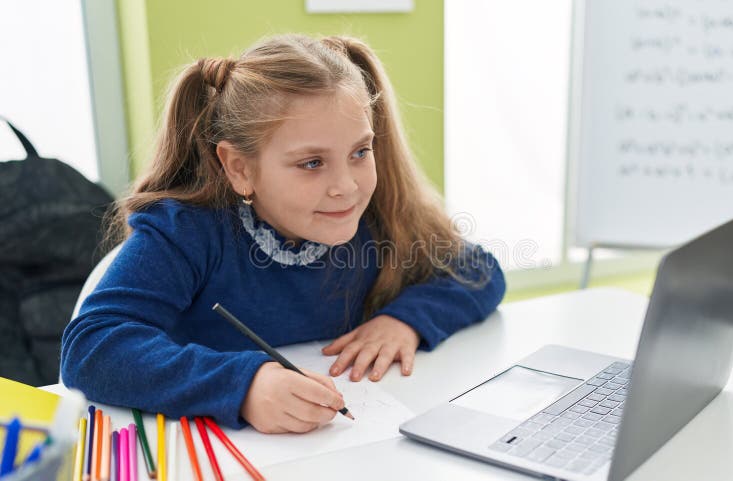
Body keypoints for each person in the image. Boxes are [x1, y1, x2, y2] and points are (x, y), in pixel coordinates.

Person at [61, 34, 505, 434]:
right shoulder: (187, 231)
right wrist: (244, 385)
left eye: (359, 152)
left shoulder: (379, 217)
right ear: (239, 168)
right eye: (312, 163)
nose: (346, 186)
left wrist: (406, 320)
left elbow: (480, 269)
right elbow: (91, 348)